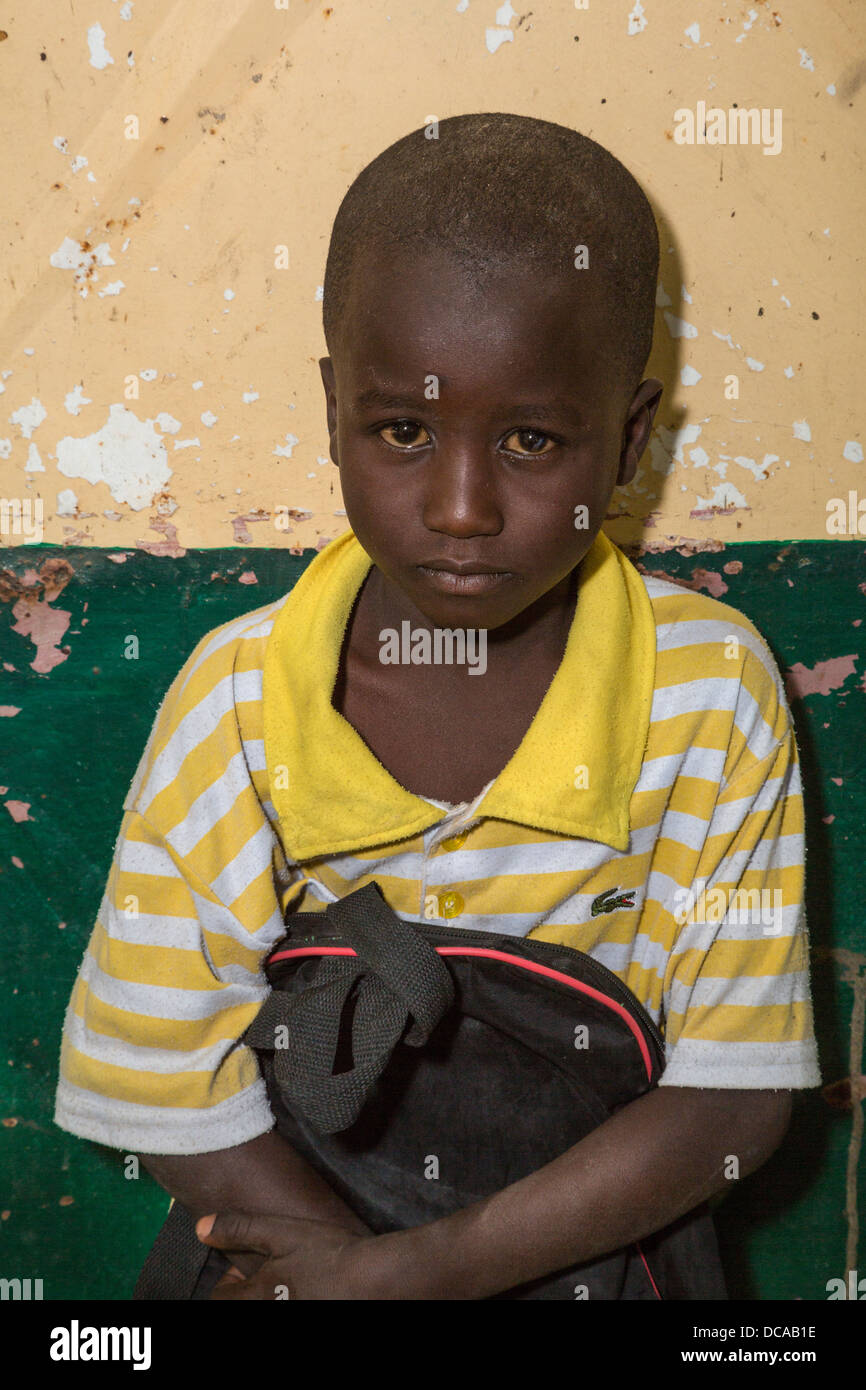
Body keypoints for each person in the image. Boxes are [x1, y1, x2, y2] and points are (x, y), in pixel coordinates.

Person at [54, 113, 821, 1300]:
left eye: (529, 439)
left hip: (591, 1257)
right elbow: (152, 1068)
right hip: (294, 1248)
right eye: (403, 430)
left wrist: (418, 1278)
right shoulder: (243, 697)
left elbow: (733, 1094)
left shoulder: (708, 690)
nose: (460, 506)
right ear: (332, 412)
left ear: (624, 441)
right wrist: (350, 1278)